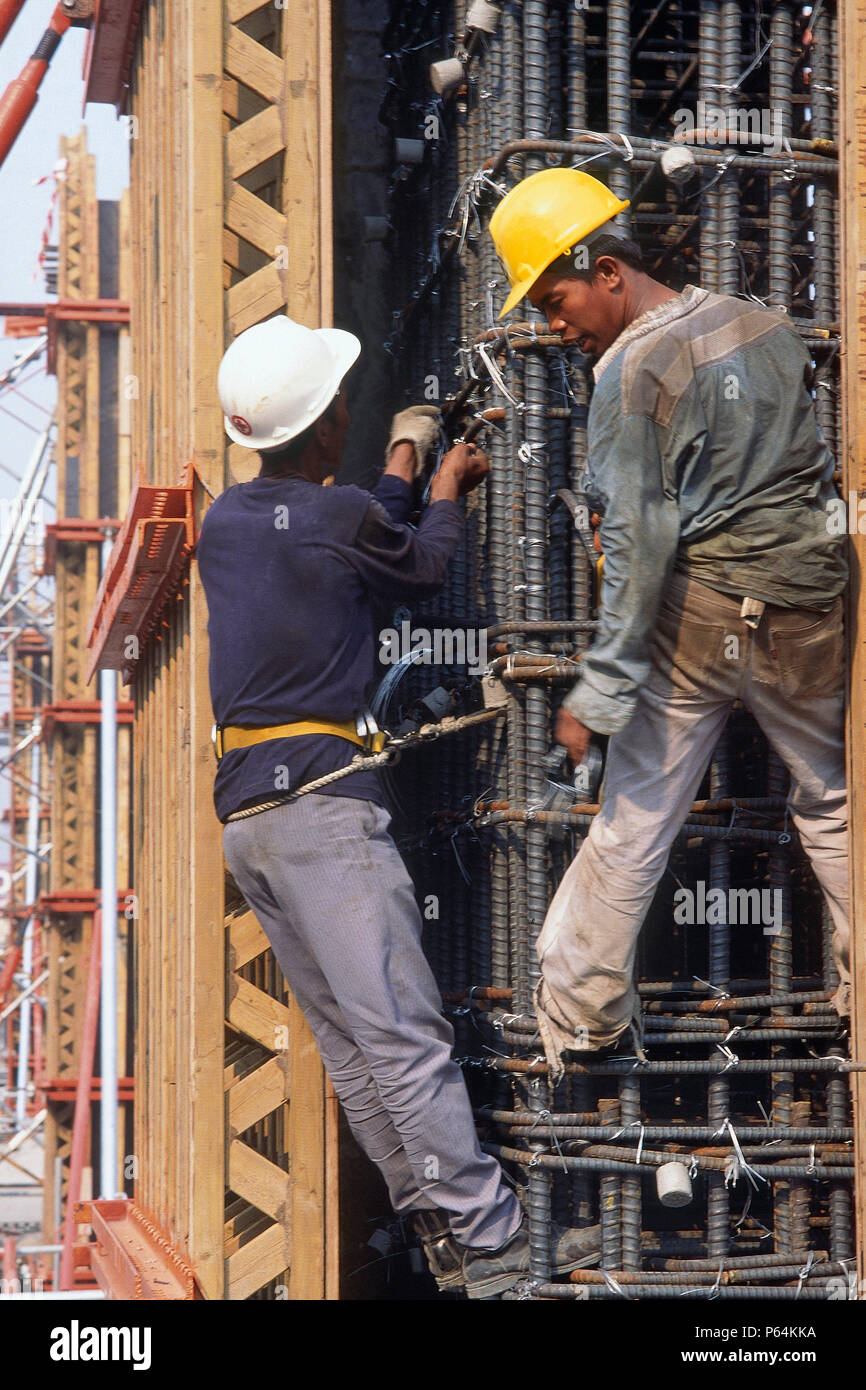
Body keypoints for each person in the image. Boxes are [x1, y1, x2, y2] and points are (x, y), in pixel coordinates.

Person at [196, 313, 601, 1296]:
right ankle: (498, 1247)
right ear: (325, 427)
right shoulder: (333, 520)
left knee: (355, 1046)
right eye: (343, 407)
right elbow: (412, 566)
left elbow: (348, 543)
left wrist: (404, 461)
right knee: (402, 1035)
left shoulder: (226, 527)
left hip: (252, 822)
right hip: (323, 810)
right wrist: (446, 485)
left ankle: (447, 1241)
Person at [489, 168, 849, 1077]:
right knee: (834, 800)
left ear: (608, 271)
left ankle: (580, 1015)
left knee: (637, 811)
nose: (552, 323)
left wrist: (603, 688)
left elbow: (645, 541)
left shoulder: (629, 370)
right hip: (809, 602)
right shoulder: (762, 325)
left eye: (557, 297)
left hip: (703, 614)